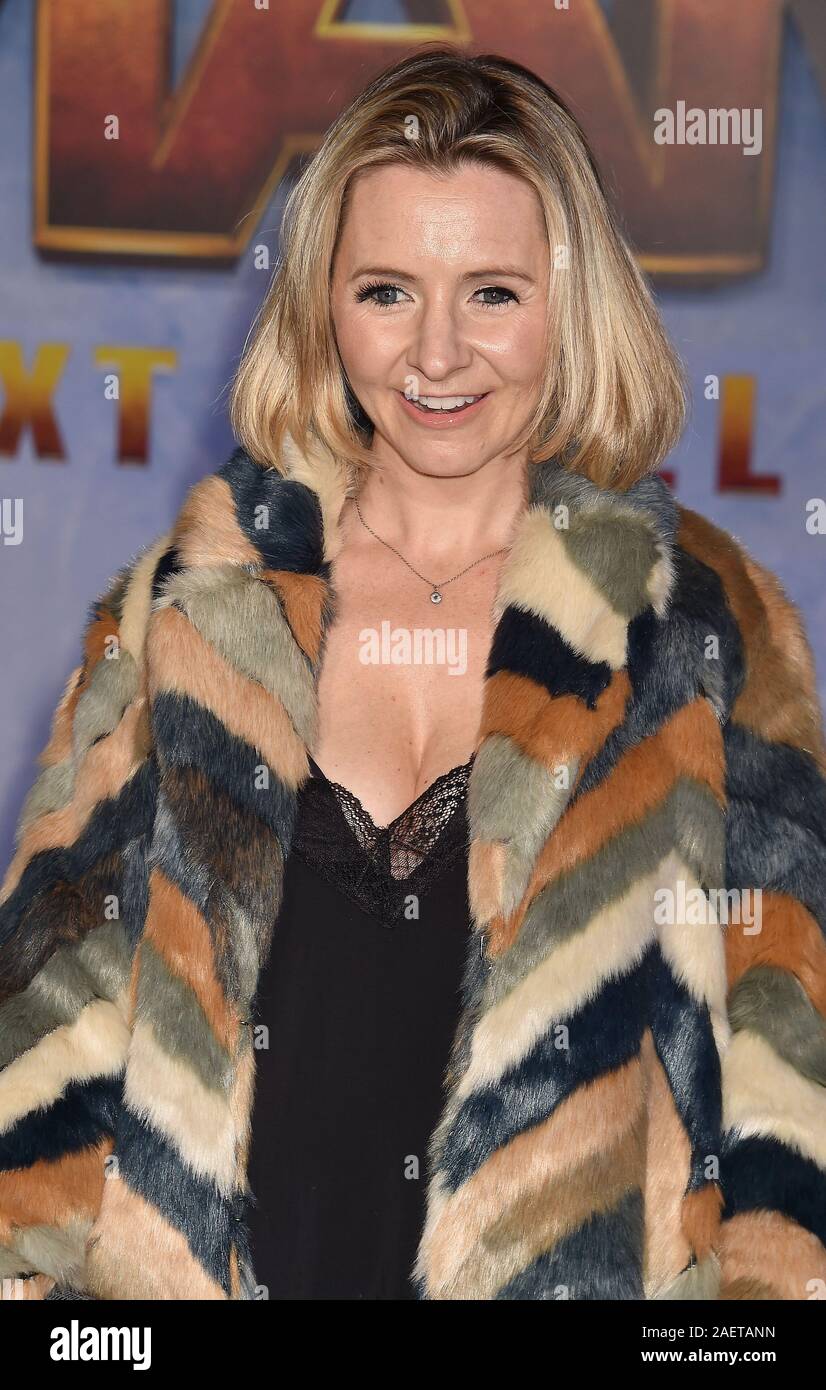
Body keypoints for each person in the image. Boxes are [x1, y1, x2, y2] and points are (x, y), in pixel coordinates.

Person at [1, 47, 824, 1302]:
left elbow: (792, 1067)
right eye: (387, 290)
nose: (435, 355)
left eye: (491, 293)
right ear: (322, 305)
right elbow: (41, 1037)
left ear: (571, 302)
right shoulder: (191, 604)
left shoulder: (697, 623)